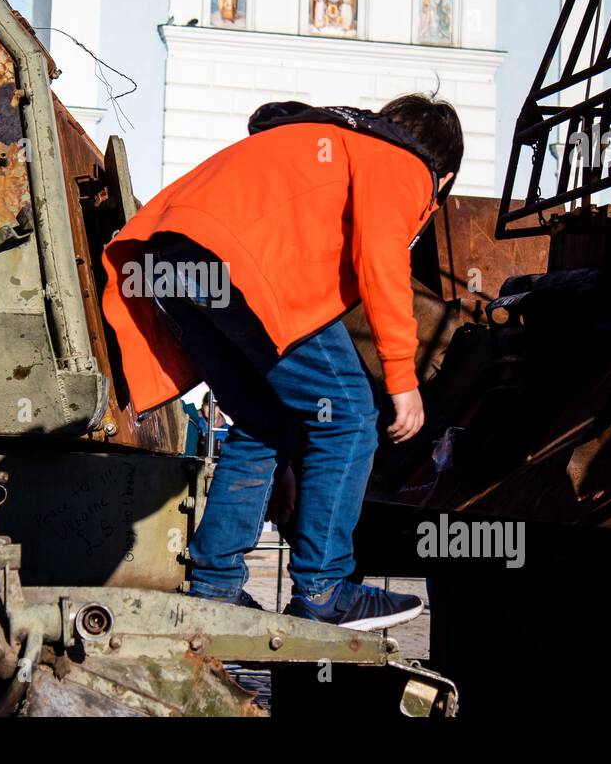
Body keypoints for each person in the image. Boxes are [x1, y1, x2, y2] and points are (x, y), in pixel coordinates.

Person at [102, 95, 462, 630]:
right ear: (446, 174)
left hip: (172, 263)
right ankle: (323, 589)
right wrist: (401, 378)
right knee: (350, 417)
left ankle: (216, 586)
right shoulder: (404, 163)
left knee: (265, 421)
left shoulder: (332, 143)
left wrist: (288, 464)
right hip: (236, 265)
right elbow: (381, 259)